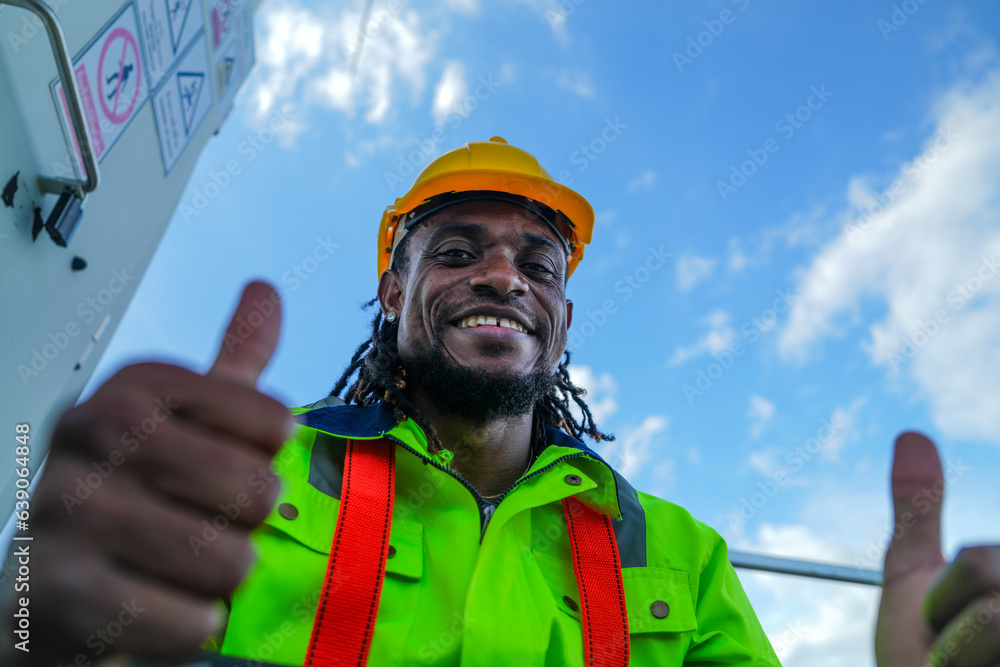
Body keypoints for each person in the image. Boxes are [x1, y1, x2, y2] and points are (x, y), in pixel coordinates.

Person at [2, 137, 998, 666]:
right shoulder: (230, 469)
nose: (503, 276)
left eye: (538, 262)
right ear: (394, 291)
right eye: (457, 250)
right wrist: (26, 628)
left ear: (562, 311)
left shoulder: (681, 557)